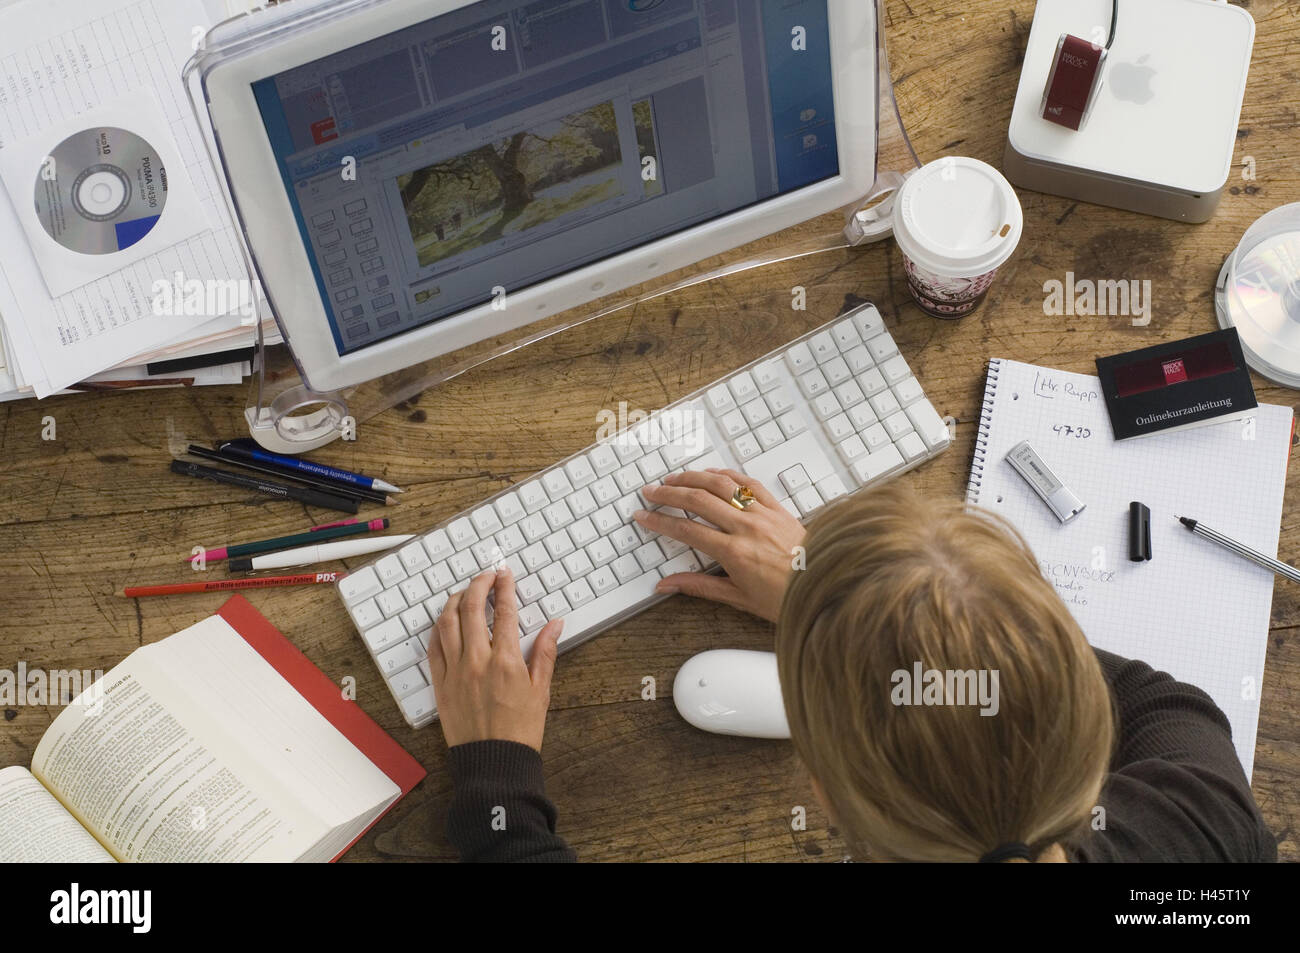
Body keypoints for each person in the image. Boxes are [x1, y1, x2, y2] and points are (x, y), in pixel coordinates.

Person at [430, 469, 1277, 863]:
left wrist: (496, 790)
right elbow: (1177, 710)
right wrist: (872, 621)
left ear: (827, 794)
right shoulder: (1198, 838)